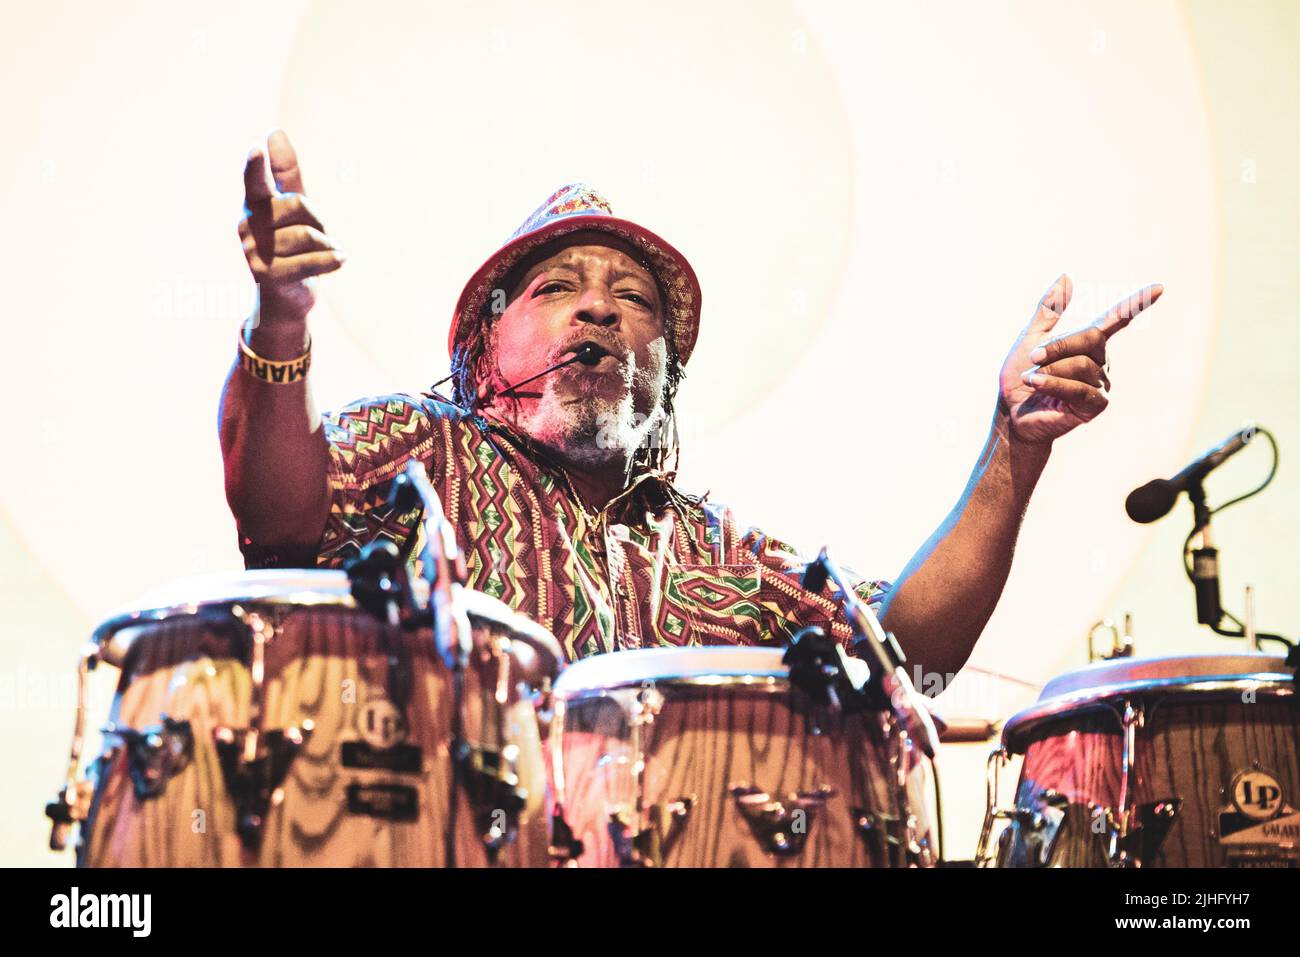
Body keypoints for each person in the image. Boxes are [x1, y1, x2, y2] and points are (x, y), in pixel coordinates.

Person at [219, 130, 1162, 675]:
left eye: (632, 300)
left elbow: (908, 654)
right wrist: (282, 320)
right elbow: (278, 510)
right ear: (480, 343)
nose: (597, 305)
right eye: (556, 288)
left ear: (664, 374)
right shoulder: (417, 449)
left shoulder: (718, 549)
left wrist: (1014, 446)